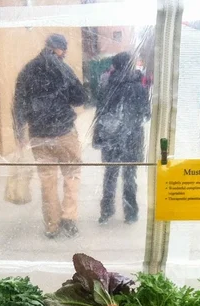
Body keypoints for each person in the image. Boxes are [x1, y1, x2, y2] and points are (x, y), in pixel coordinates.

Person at [13, 34, 87, 238]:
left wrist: (19, 132)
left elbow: (18, 103)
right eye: (64, 50)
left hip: (38, 134)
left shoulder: (28, 69)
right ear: (61, 49)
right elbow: (80, 97)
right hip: (64, 132)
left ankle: (51, 225)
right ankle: (69, 218)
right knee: (72, 175)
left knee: (47, 180)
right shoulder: (62, 68)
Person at [93, 52, 150, 224]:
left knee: (110, 175)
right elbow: (146, 114)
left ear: (115, 66)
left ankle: (106, 212)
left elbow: (100, 116)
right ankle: (131, 213)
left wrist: (98, 138)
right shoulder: (139, 88)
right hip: (132, 138)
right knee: (129, 176)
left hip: (111, 139)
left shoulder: (107, 87)